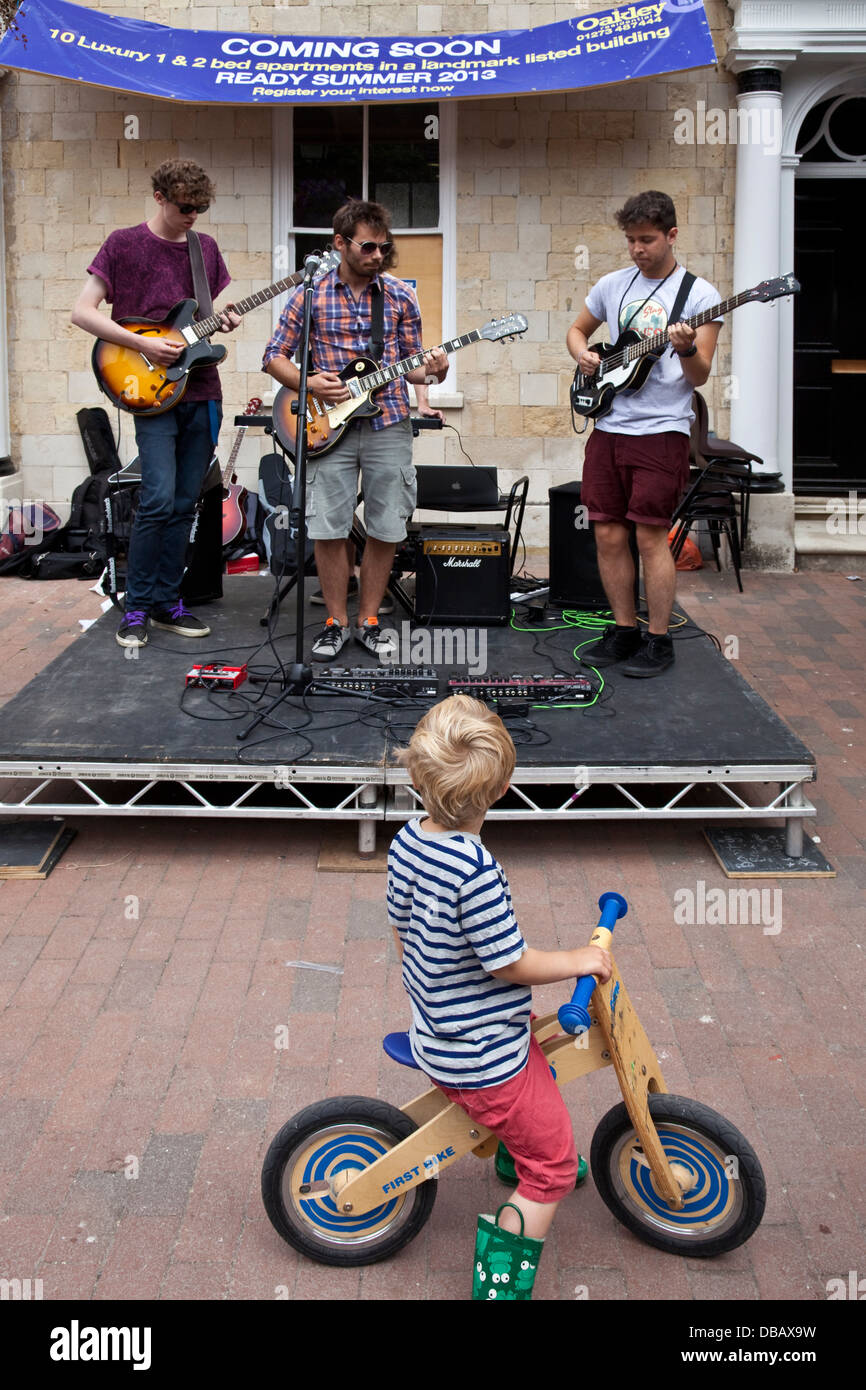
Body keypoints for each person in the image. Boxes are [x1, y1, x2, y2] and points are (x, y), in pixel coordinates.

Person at [387, 695, 612, 1298]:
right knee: (556, 1167)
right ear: (503, 786)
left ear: (417, 773)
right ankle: (501, 1285)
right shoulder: (475, 870)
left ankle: (516, 1149)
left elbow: (402, 927)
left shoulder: (408, 841)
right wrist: (579, 959)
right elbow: (510, 962)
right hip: (480, 1057)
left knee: (540, 1044)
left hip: (437, 1025)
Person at [262, 199, 449, 663]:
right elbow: (273, 355)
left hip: (388, 422)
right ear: (340, 244)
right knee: (328, 526)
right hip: (326, 427)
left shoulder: (400, 296)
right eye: (368, 246)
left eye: (384, 247)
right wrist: (306, 382)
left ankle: (368, 619)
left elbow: (413, 369)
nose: (378, 255)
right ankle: (334, 621)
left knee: (387, 526)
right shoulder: (311, 295)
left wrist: (436, 372)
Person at [72, 158, 240, 649]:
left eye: (201, 208)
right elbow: (82, 312)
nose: (193, 216)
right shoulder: (123, 245)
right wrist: (142, 344)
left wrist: (223, 321)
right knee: (158, 500)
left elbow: (203, 320)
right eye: (186, 207)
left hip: (202, 389)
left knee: (186, 504)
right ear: (161, 197)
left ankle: (169, 602)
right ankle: (137, 606)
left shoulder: (203, 248)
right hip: (152, 393)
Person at [566, 190, 723, 677]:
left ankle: (659, 638)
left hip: (661, 430)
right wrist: (583, 355)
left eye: (647, 240)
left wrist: (685, 348)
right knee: (608, 532)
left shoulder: (699, 296)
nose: (637, 249)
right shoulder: (613, 285)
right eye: (631, 240)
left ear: (672, 235)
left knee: (651, 535)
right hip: (609, 425)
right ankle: (623, 629)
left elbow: (699, 376)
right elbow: (576, 330)